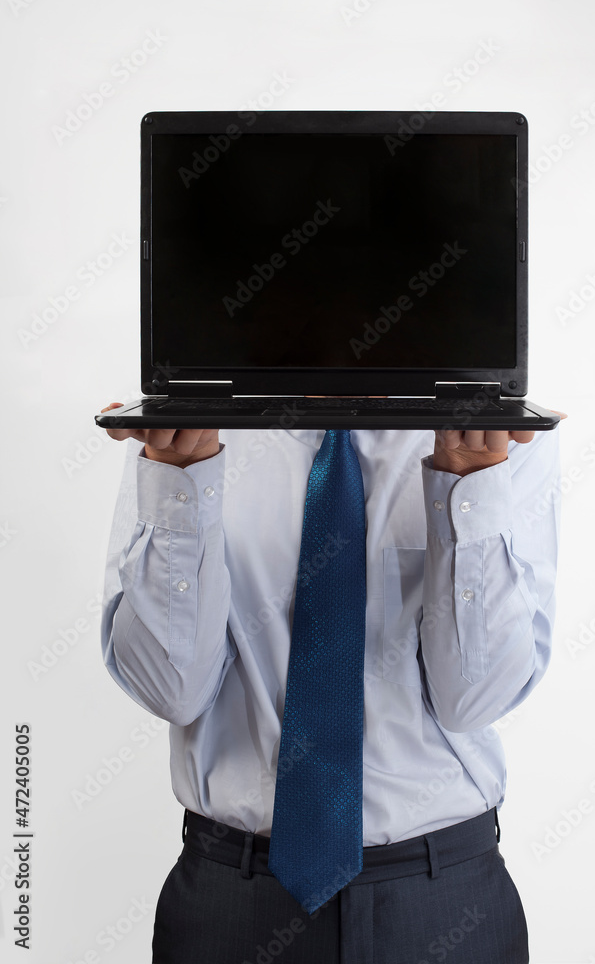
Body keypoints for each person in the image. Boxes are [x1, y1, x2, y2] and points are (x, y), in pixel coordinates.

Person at [100, 399, 564, 963]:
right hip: (231, 905)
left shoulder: (500, 437)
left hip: (443, 903)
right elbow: (171, 690)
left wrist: (469, 484)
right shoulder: (188, 430)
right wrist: (180, 476)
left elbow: (474, 699)